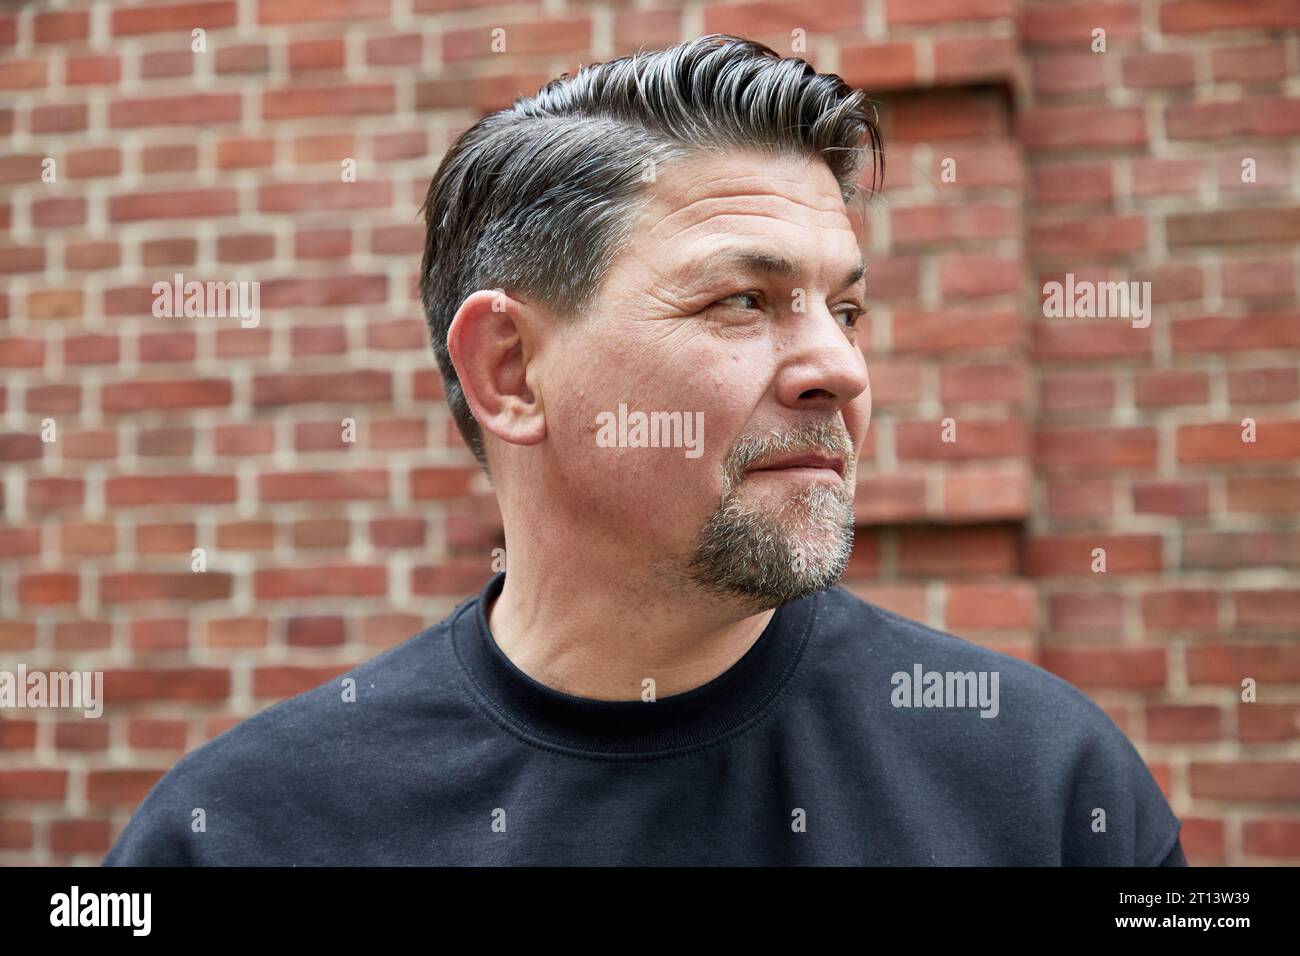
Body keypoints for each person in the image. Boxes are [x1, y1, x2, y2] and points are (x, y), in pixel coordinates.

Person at [104, 34, 1185, 866]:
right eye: (742, 299)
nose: (838, 367)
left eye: (846, 310)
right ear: (510, 373)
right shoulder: (243, 833)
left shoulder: (1042, 786)